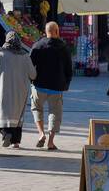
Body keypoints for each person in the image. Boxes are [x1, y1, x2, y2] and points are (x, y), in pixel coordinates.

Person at [30, 21, 75, 150]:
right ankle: (50, 141)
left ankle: (41, 133)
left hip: (39, 85)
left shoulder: (37, 46)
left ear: (46, 32)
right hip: (56, 86)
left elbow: (30, 65)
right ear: (57, 31)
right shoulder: (64, 47)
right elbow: (68, 68)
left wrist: (31, 79)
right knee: (55, 112)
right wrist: (66, 83)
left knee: (37, 108)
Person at [0, 32, 35, 147]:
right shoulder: (25, 56)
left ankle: (6, 133)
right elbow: (33, 75)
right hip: (20, 92)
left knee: (2, 115)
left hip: (1, 91)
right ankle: (16, 142)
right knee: (17, 117)